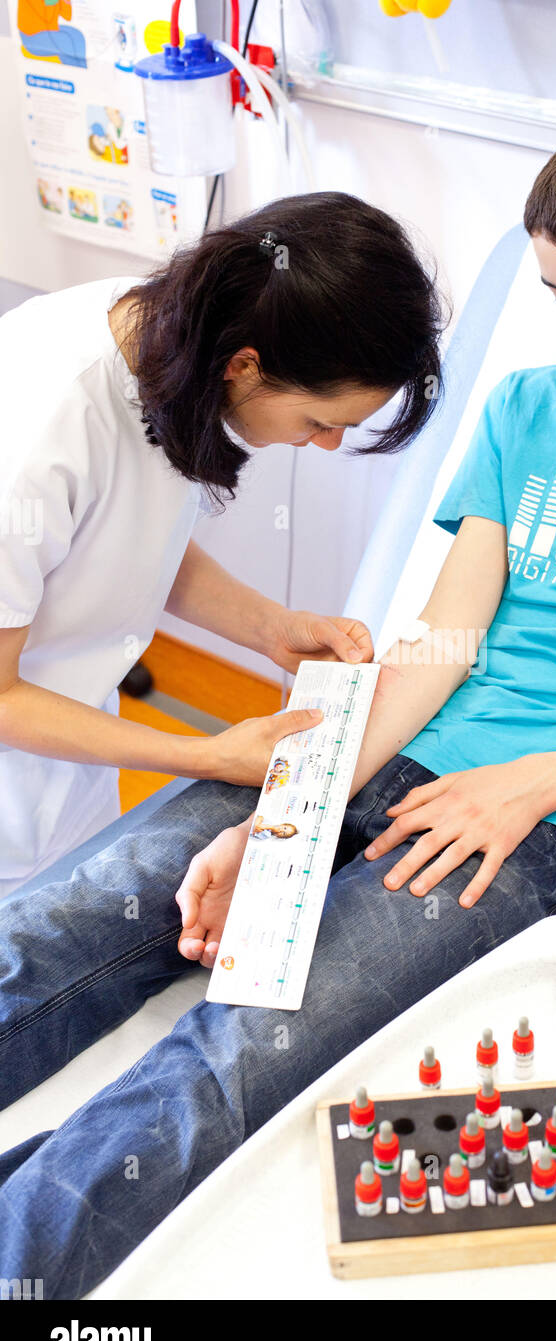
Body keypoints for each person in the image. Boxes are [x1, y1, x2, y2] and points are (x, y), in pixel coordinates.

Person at [0, 113, 556, 1298]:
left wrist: (540, 779)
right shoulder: (527, 413)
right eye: (555, 294)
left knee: (237, 1047)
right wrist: (286, 816)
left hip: (534, 830)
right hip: (391, 753)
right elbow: (441, 645)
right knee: (70, 916)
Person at [0, 192, 445, 895]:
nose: (325, 444)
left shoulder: (167, 333)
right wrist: (206, 754)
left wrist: (272, 629)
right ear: (244, 365)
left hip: (64, 748)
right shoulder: (36, 437)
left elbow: (121, 543)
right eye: (319, 420)